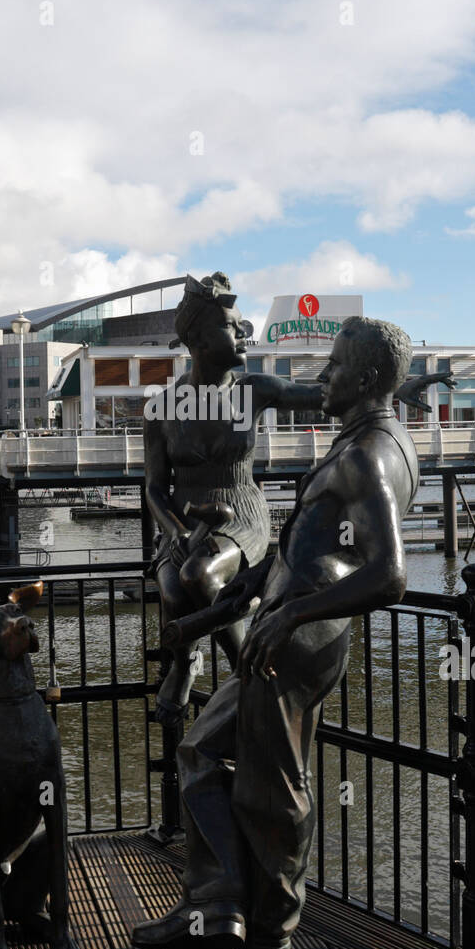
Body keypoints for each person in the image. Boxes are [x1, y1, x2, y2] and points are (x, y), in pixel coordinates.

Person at [132, 315, 419, 949]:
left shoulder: (367, 454)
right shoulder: (368, 442)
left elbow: (388, 573)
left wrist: (289, 615)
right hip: (281, 630)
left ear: (368, 377)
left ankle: (265, 927)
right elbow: (314, 545)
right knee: (204, 750)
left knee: (276, 783)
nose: (324, 376)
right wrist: (255, 584)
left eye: (337, 364)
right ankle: (220, 905)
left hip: (294, 640)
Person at [145, 272, 325, 725]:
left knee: (200, 576)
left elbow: (322, 397)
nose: (245, 333)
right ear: (199, 339)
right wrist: (179, 532)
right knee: (172, 586)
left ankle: (245, 664)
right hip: (181, 520)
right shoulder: (161, 408)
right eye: (232, 326)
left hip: (239, 509)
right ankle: (193, 661)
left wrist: (383, 387)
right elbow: (154, 488)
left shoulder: (253, 390)